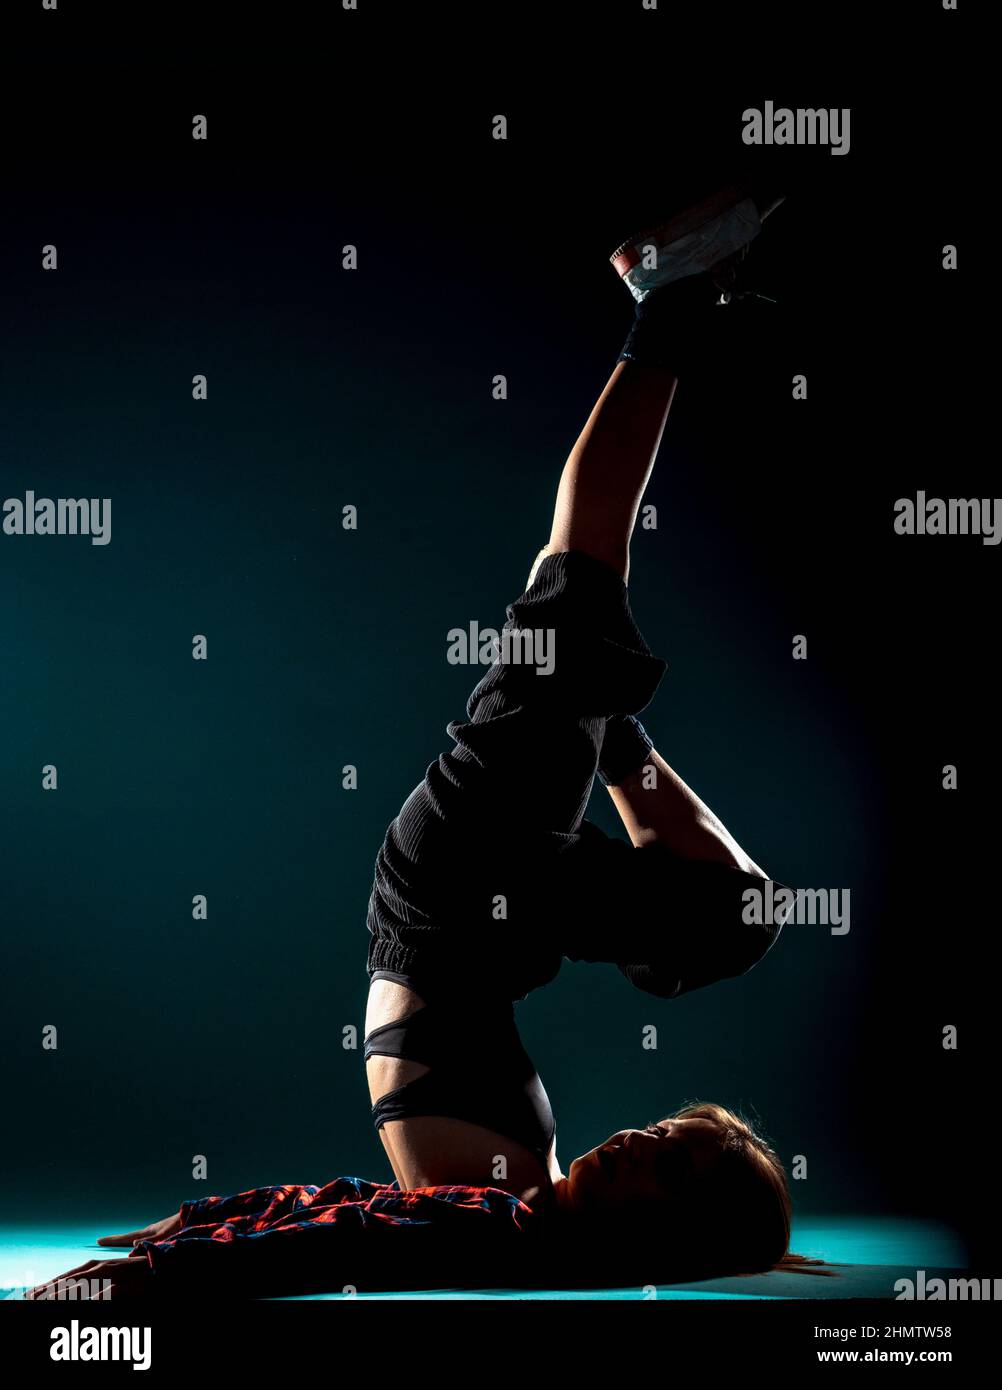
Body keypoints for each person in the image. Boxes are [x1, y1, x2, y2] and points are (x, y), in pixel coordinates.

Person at [27, 182, 822, 1301]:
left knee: (583, 572)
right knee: (735, 921)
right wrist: (208, 1210)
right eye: (668, 1132)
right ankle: (588, 700)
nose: (642, 1136)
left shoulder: (525, 1241)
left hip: (455, 893)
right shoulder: (534, 1202)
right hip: (493, 907)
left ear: (667, 1234)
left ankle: (667, 303)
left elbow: (346, 1241)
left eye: (668, 1164)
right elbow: (358, 1202)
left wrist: (130, 1285)